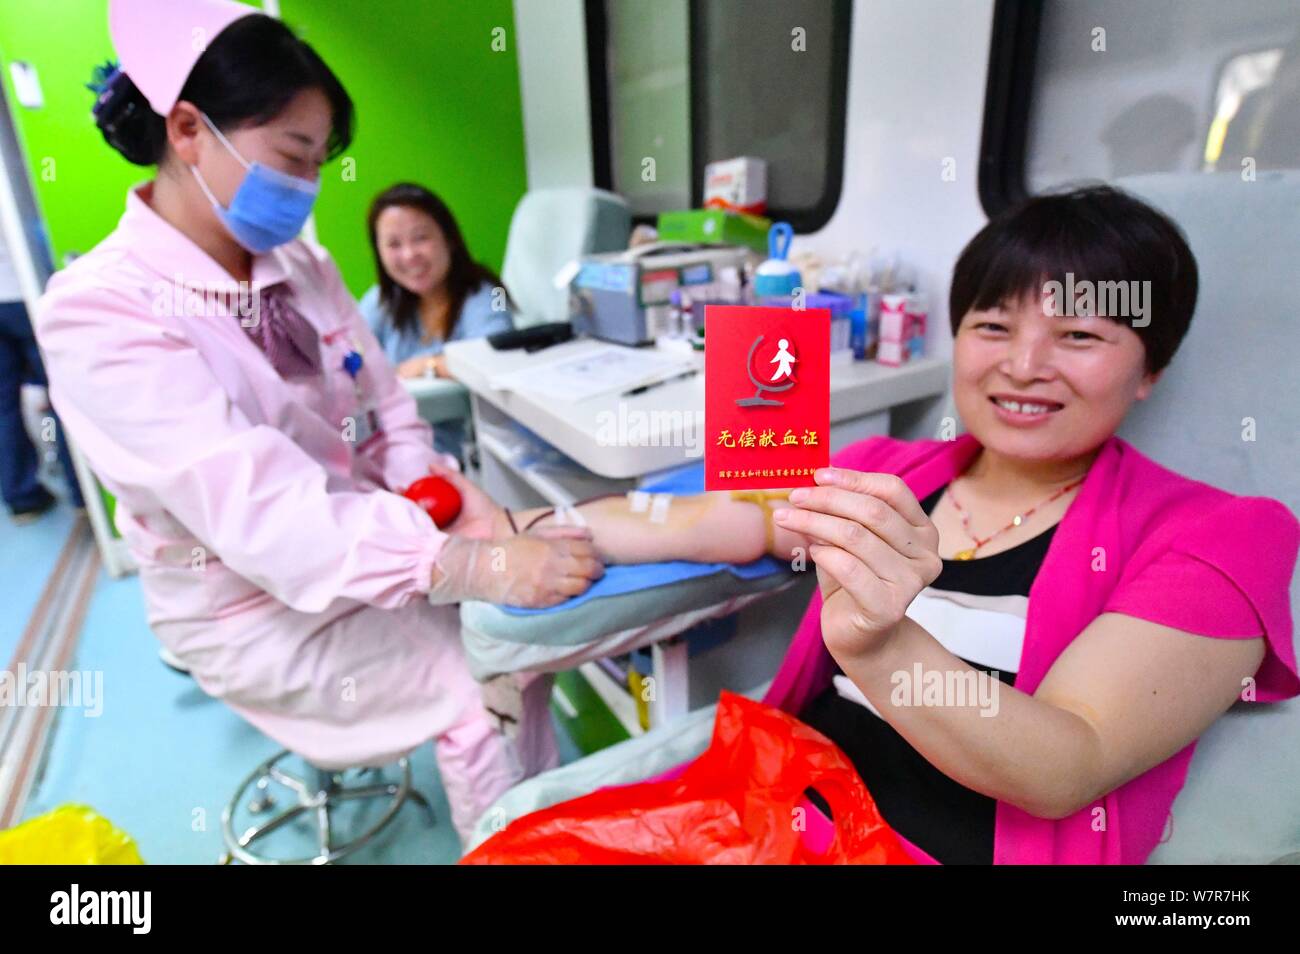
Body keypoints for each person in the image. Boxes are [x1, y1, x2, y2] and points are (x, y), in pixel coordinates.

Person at [467, 185, 1299, 865]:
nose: (1022, 365)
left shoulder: (1217, 536)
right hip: (771, 808)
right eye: (993, 325)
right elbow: (718, 517)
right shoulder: (889, 472)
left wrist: (880, 645)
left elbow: (1068, 763)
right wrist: (532, 522)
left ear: (1151, 367)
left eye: (1078, 334)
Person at [34, 0, 601, 845]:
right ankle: (520, 848)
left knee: (520, 639)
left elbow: (383, 401)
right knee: (479, 679)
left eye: (317, 163)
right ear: (188, 129)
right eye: (291, 158)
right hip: (246, 606)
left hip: (371, 534)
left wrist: (427, 484)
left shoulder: (298, 260)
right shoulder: (99, 310)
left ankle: (553, 818)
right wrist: (461, 560)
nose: (306, 188)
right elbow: (265, 515)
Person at [359, 183, 515, 463]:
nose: (409, 255)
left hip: (462, 457)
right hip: (388, 446)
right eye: (394, 244)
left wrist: (422, 367)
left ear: (449, 239)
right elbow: (349, 357)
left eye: (420, 238)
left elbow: (492, 361)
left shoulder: (488, 296)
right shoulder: (382, 299)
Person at [0, 235, 84, 523]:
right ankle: (80, 489)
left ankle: (21, 496)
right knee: (59, 391)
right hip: (22, 293)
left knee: (4, 407)